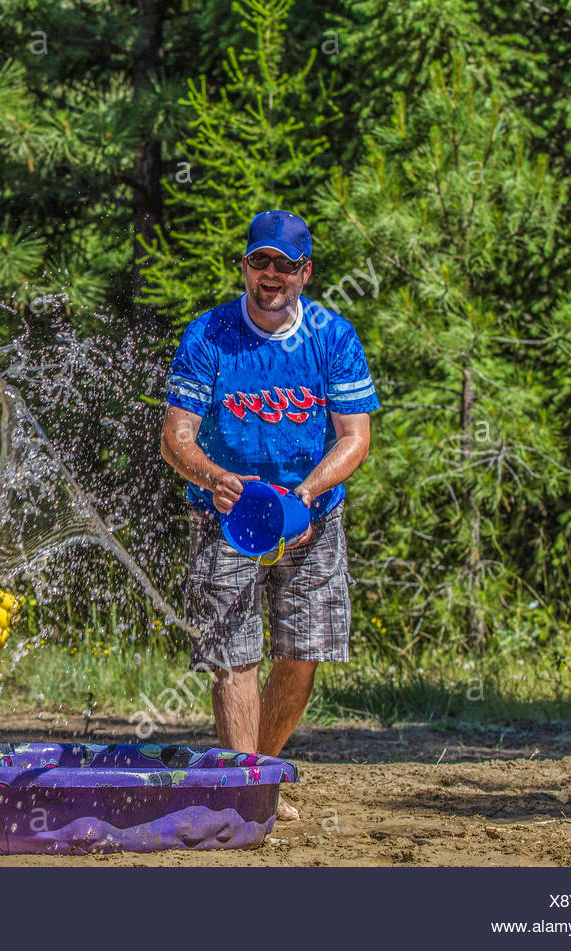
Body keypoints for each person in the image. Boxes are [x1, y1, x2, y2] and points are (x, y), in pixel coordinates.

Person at [160, 210, 379, 821]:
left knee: (301, 652)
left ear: (304, 272)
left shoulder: (334, 338)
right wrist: (214, 478)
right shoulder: (207, 335)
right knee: (233, 654)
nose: (271, 275)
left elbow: (355, 440)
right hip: (225, 515)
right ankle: (246, 788)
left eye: (285, 265)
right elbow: (175, 435)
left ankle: (255, 770)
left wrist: (307, 493)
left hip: (312, 516)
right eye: (261, 262)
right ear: (245, 266)